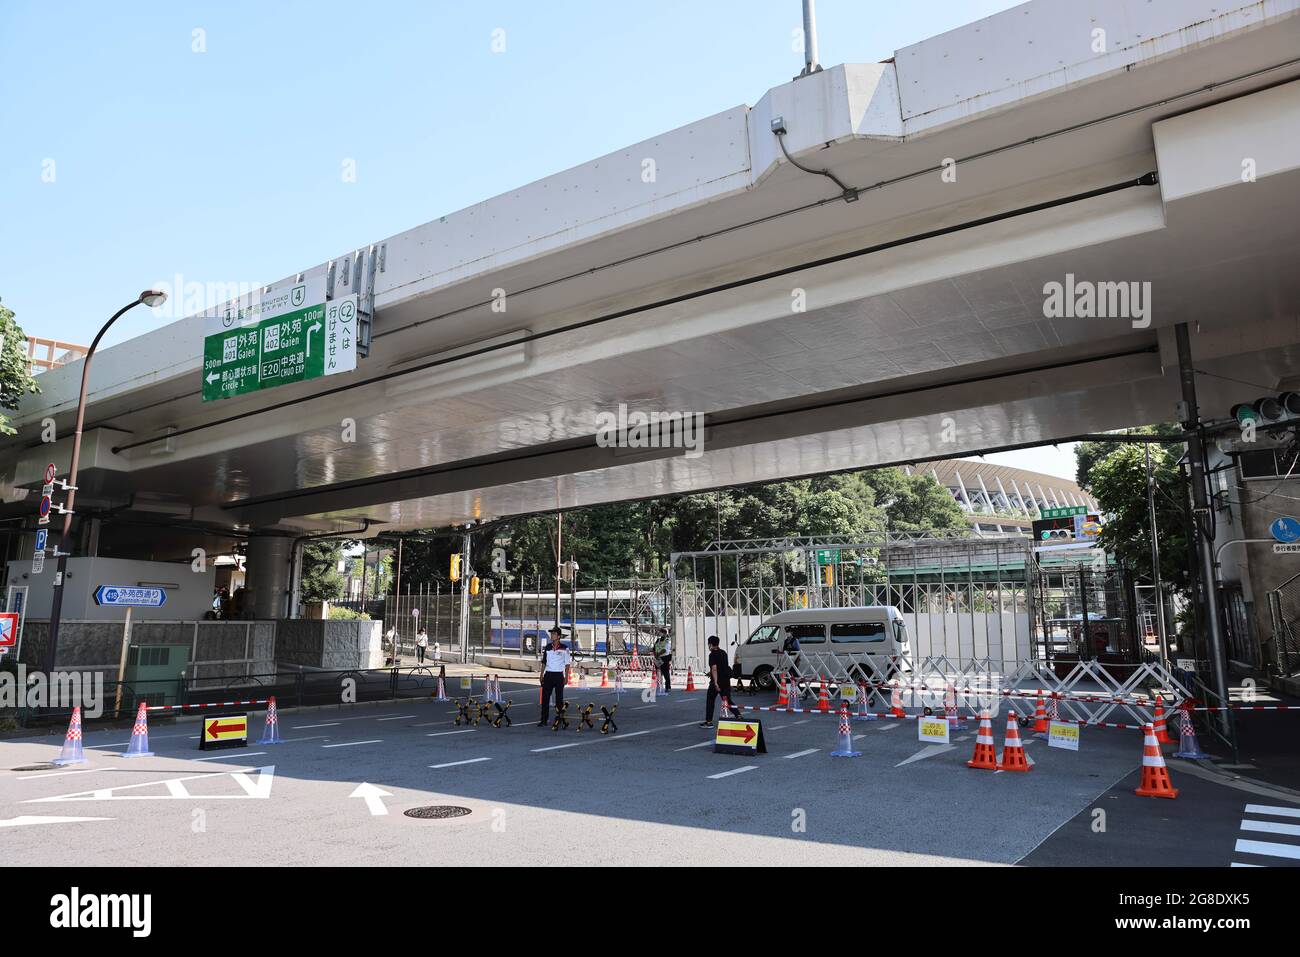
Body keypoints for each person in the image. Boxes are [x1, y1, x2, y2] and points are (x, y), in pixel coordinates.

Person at [700, 635, 740, 728]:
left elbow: (714, 669)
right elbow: (722, 666)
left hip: (717, 682)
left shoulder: (712, 654)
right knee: (727, 700)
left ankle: (709, 722)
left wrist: (716, 683)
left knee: (710, 701)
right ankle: (738, 715)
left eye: (708, 644)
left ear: (710, 644)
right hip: (726, 680)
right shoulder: (723, 652)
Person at [538, 626, 571, 727]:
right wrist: (541, 674)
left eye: (554, 634)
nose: (552, 635)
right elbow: (544, 662)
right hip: (548, 675)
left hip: (558, 675)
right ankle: (544, 720)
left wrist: (566, 677)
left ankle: (559, 719)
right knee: (545, 698)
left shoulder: (565, 648)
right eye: (551, 634)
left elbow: (567, 664)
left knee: (559, 699)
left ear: (559, 636)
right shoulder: (548, 647)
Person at [653, 627, 672, 695]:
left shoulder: (667, 640)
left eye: (661, 632)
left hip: (665, 658)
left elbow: (665, 649)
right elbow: (654, 648)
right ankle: (659, 687)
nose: (659, 633)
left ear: (664, 633)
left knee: (666, 673)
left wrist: (658, 654)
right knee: (658, 673)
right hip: (658, 658)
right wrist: (655, 655)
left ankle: (668, 687)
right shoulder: (658, 640)